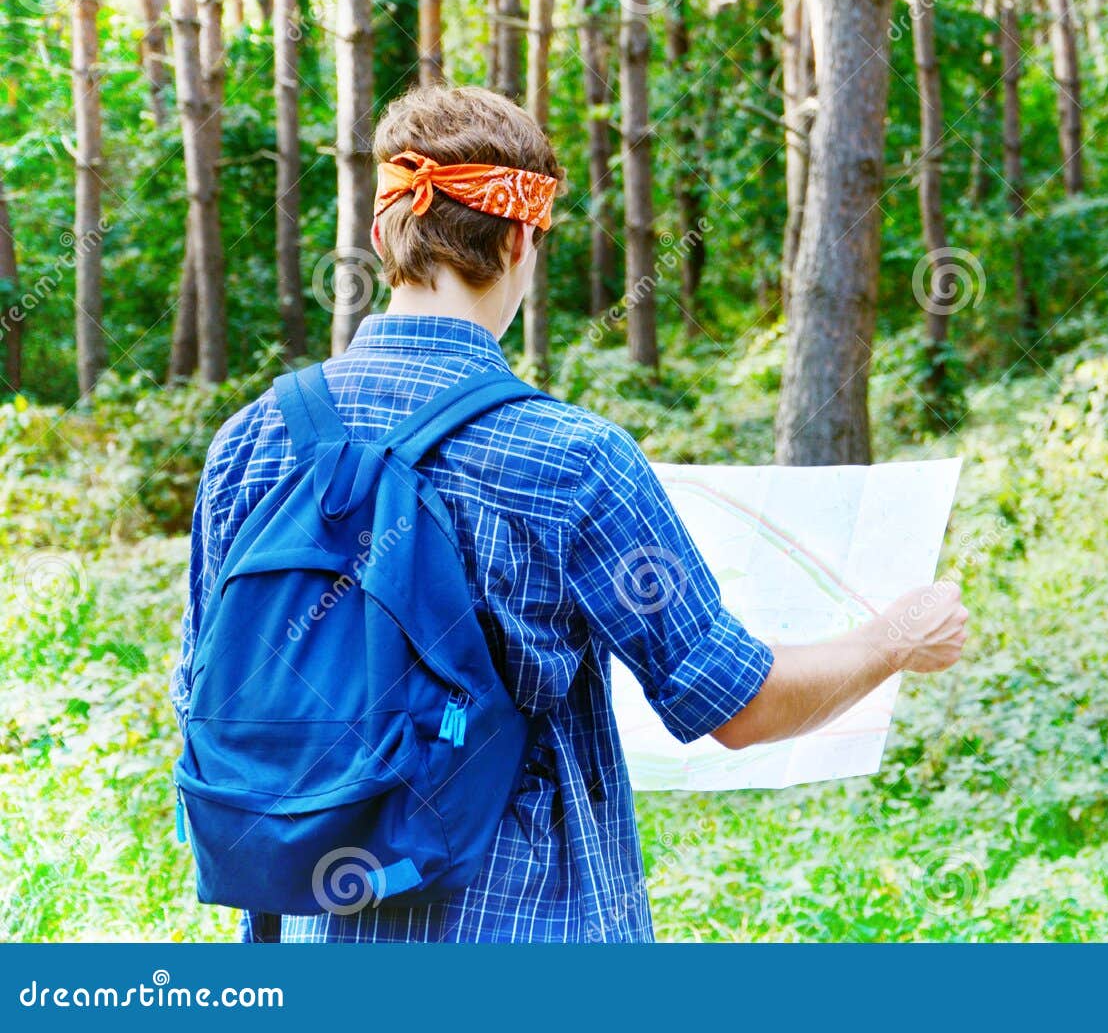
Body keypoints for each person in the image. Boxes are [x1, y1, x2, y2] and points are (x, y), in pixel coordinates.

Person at [173, 84, 969, 943]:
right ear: (520, 240)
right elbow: (738, 704)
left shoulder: (250, 443)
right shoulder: (570, 459)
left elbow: (201, 692)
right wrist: (895, 638)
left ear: (381, 234)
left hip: (303, 935)